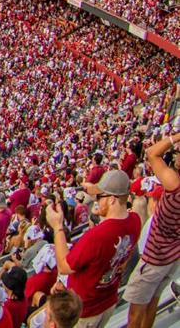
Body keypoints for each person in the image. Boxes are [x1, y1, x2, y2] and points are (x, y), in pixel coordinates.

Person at [45, 169, 141, 328]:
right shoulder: (135, 220)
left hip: (86, 310)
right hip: (109, 300)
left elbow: (64, 266)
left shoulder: (97, 236)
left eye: (99, 197)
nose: (96, 201)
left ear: (111, 200)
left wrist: (57, 226)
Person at [124, 132, 180, 328]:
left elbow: (152, 153)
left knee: (135, 314)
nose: (176, 154)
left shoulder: (174, 184)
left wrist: (176, 137)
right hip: (172, 256)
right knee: (153, 302)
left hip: (155, 258)